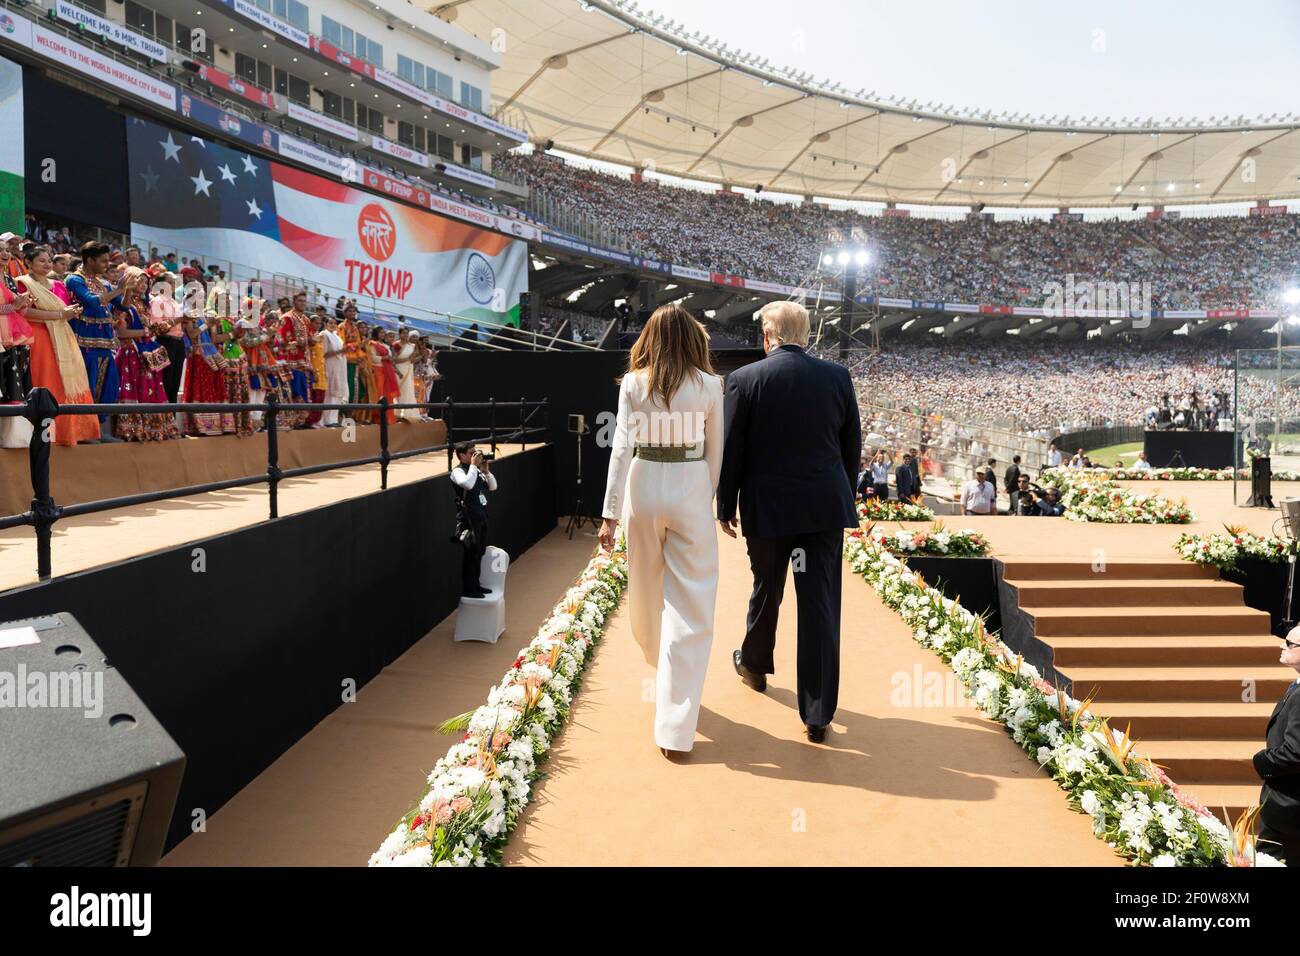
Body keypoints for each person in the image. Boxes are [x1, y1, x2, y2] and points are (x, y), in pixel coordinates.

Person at [716, 300, 860, 744]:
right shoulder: (837, 377)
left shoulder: (743, 380)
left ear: (766, 336)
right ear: (808, 335)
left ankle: (755, 666)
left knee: (767, 588)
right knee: (819, 603)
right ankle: (816, 713)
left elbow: (732, 450)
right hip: (822, 511)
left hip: (769, 510)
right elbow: (850, 448)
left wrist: (726, 506)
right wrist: (842, 496)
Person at [598, 303, 723, 756]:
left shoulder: (633, 383)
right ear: (693, 338)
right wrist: (699, 500)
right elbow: (716, 454)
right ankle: (674, 721)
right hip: (689, 487)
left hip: (643, 487)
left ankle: (659, 666)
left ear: (649, 336)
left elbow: (620, 450)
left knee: (646, 593)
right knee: (692, 605)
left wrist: (609, 514)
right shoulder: (711, 384)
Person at [17, 246, 100, 445]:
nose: (46, 265)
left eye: (48, 261)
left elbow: (62, 309)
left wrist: (70, 312)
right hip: (38, 336)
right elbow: (25, 313)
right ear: (28, 263)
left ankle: (72, 432)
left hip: (63, 336)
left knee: (68, 380)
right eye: (41, 261)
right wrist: (60, 315)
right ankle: (48, 434)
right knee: (46, 379)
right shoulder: (23, 284)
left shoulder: (58, 284)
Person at [65, 242, 128, 439]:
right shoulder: (74, 280)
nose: (107, 265)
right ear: (90, 260)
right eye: (103, 261)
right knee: (87, 387)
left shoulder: (104, 283)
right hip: (84, 343)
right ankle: (83, 432)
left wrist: (129, 289)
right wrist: (119, 289)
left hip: (105, 344)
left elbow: (124, 307)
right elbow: (91, 301)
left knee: (107, 386)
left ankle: (96, 430)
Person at [111, 266, 180, 442]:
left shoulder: (144, 304)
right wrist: (146, 332)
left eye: (145, 281)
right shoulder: (122, 304)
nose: (143, 283)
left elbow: (152, 329)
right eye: (138, 280)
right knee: (135, 389)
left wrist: (173, 322)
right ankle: (133, 429)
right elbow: (122, 333)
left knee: (151, 389)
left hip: (146, 353)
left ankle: (153, 428)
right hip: (131, 353)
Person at [1253, 626, 1300, 865]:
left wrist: (1261, 761)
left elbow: (1295, 753)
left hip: (1288, 808)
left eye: (1290, 643)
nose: (1282, 646)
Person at [451, 440, 498, 598]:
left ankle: (476, 585)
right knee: (471, 553)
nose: (475, 457)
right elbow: (467, 485)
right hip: (469, 518)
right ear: (462, 455)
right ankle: (469, 589)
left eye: (476, 453)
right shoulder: (457, 471)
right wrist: (473, 466)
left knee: (479, 552)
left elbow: (493, 487)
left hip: (481, 515)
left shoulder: (475, 470)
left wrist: (485, 471)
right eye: (472, 454)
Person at [320, 318, 348, 427]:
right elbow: (324, 353)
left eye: (334, 323)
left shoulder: (337, 336)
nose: (332, 325)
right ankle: (327, 420)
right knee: (330, 392)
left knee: (338, 392)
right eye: (330, 323)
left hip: (339, 366)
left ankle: (334, 419)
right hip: (330, 366)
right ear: (325, 324)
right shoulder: (324, 335)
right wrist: (341, 351)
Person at [393, 329, 419, 421]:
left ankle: (407, 414)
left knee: (408, 390)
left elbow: (412, 360)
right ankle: (397, 413)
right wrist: (408, 358)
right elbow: (394, 360)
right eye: (403, 333)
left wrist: (413, 358)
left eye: (406, 333)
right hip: (398, 370)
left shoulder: (411, 346)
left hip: (409, 370)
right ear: (399, 334)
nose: (405, 335)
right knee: (399, 391)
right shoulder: (396, 345)